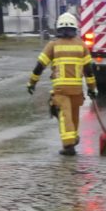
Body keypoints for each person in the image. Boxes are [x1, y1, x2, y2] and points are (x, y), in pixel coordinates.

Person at [26, 12, 98, 156]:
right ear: (74, 28)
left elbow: (40, 66)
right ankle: (73, 138)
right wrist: (92, 89)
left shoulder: (53, 45)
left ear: (58, 28)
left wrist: (32, 82)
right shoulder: (82, 46)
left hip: (61, 90)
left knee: (65, 116)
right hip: (77, 90)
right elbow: (89, 71)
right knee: (74, 116)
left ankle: (68, 145)